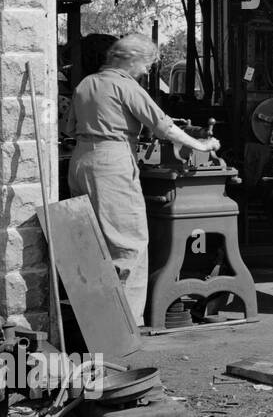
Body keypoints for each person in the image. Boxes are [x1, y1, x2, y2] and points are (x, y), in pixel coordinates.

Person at [68, 34, 221, 325]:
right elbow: (165, 128)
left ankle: (92, 322)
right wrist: (201, 145)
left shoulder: (85, 84)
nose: (146, 71)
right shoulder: (126, 86)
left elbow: (69, 127)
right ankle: (123, 326)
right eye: (146, 65)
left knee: (92, 244)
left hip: (80, 160)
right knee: (128, 245)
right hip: (111, 163)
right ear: (132, 60)